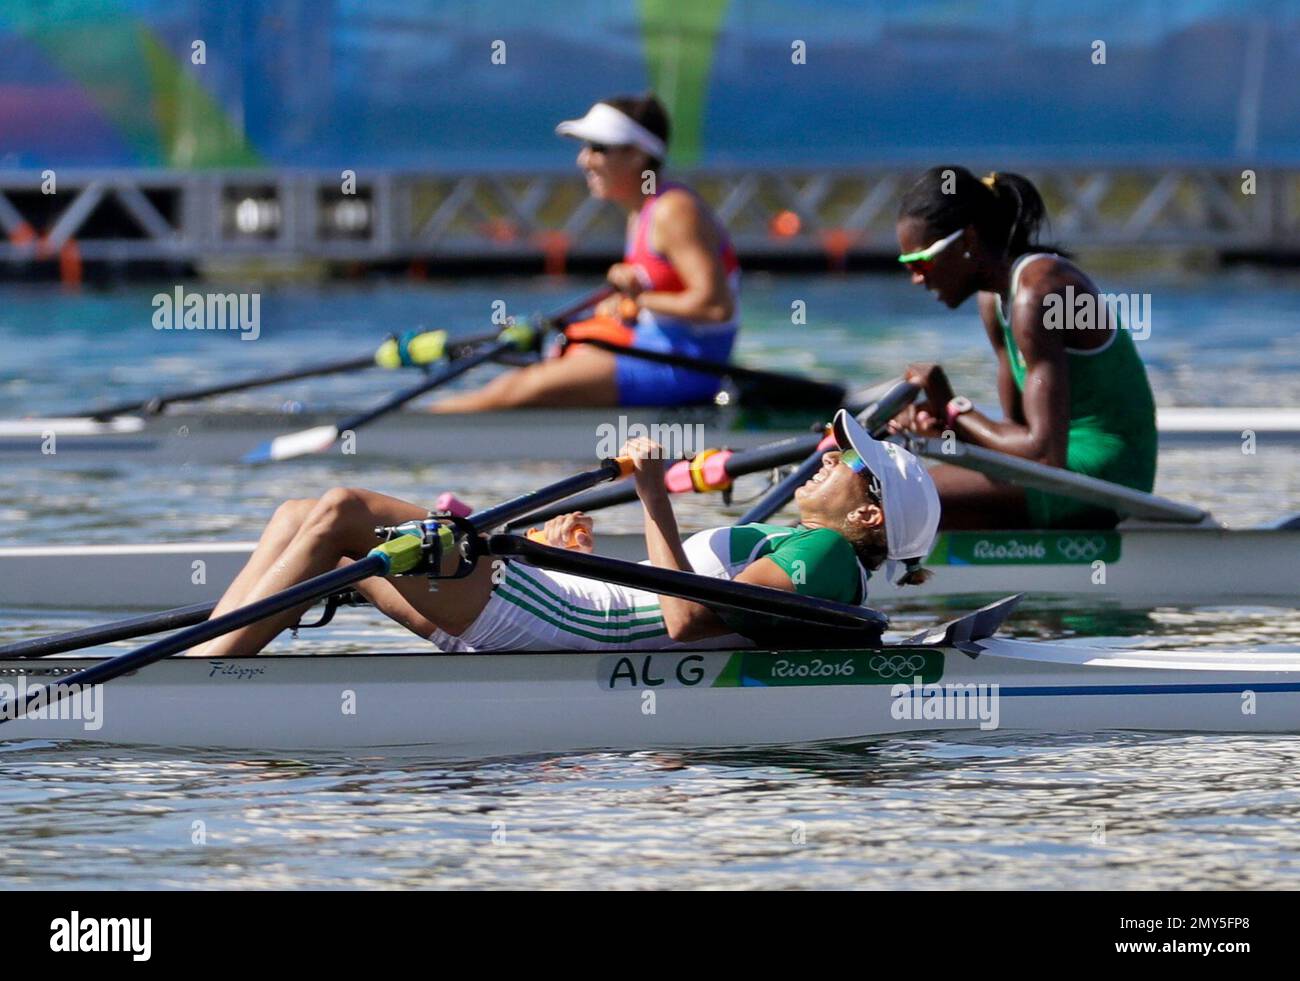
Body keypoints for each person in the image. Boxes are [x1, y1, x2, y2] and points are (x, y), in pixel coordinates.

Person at [190, 410, 939, 656]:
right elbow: (682, 602)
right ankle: (203, 663)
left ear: (868, 515)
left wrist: (652, 493)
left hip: (558, 619)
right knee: (304, 517)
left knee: (342, 510)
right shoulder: (814, 551)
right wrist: (573, 557)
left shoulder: (830, 554)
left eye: (849, 462)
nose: (828, 458)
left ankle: (190, 679)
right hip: (560, 600)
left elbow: (683, 620)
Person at [431, 94, 741, 412]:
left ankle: (423, 428)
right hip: (651, 347)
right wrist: (630, 294)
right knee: (538, 369)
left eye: (597, 148)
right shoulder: (643, 210)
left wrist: (634, 300)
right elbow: (666, 292)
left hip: (687, 365)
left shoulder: (674, 211)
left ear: (636, 155)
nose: (584, 160)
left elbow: (716, 307)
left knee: (524, 386)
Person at [891, 166, 1157, 530]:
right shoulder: (993, 302)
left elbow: (1044, 455)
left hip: (1108, 474)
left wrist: (954, 408)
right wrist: (944, 430)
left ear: (967, 241)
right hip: (1056, 466)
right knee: (882, 490)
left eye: (920, 261)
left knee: (891, 497)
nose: (916, 278)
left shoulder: (1040, 291)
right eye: (907, 265)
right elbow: (1015, 436)